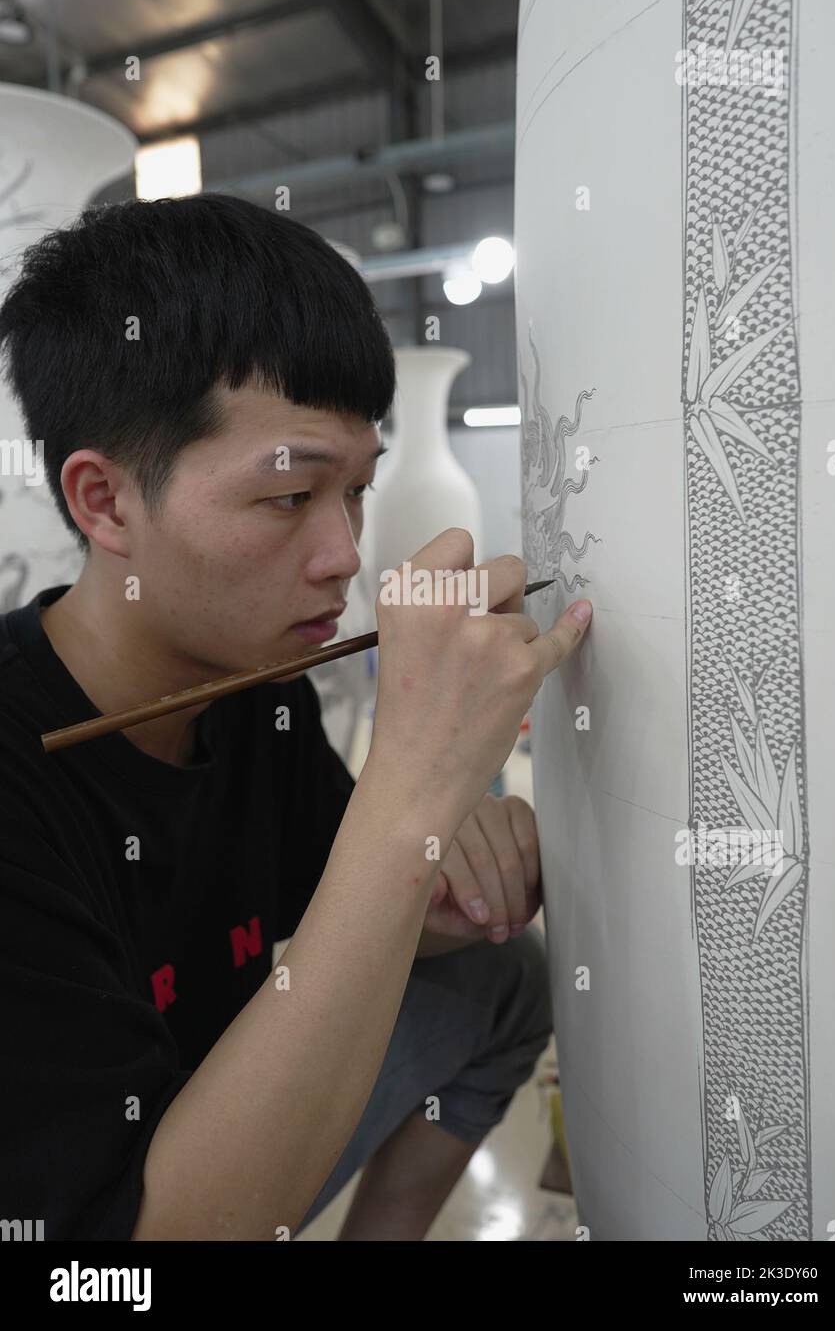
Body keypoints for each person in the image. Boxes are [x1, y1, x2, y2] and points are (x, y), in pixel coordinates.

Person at [0, 193, 592, 1241]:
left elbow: (352, 912)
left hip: (209, 1100)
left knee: (502, 983)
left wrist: (446, 871)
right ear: (105, 502)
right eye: (287, 496)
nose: (343, 555)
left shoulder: (254, 690)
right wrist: (413, 785)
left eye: (356, 491)